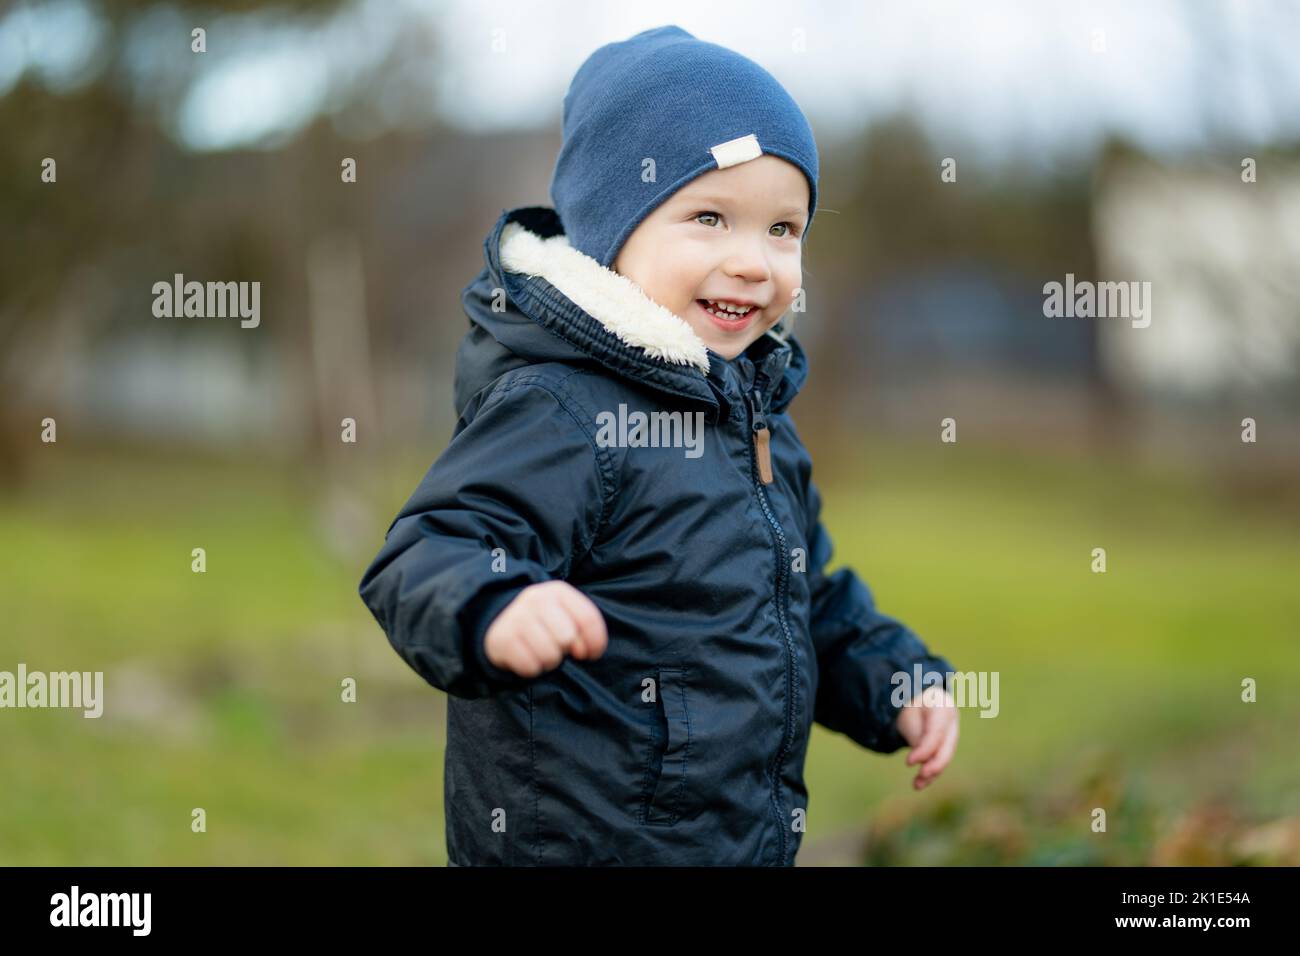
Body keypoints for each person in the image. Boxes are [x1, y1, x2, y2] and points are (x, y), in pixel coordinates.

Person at [358, 24, 959, 866]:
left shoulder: (755, 417)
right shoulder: (559, 404)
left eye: (783, 230)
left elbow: (802, 602)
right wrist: (495, 606)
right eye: (710, 218)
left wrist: (896, 680)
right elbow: (429, 549)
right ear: (614, 230)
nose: (755, 263)